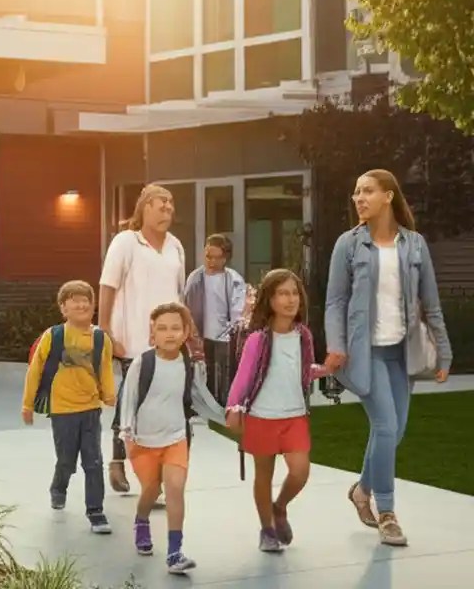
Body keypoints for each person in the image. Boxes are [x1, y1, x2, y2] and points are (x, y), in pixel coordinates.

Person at [324, 169, 452, 547]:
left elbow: (431, 304)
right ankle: (389, 513)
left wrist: (444, 352)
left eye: (367, 191)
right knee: (384, 427)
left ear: (388, 197)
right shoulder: (348, 245)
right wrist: (337, 344)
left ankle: (361, 490)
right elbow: (335, 301)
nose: (358, 198)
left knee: (395, 432)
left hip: (403, 352)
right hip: (365, 353)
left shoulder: (414, 245)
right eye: (356, 192)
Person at [118, 302, 226, 575]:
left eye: (176, 328)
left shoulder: (189, 364)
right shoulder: (143, 362)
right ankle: (141, 521)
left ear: (186, 331)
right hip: (142, 441)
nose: (169, 333)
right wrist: (126, 433)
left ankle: (174, 553)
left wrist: (227, 419)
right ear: (152, 334)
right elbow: (127, 398)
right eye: (162, 328)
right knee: (152, 490)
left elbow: (200, 397)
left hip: (176, 438)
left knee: (175, 489)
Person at [225, 269, 328, 553]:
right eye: (283, 293)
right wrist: (234, 407)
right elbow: (243, 377)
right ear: (269, 299)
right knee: (264, 476)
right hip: (261, 416)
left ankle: (279, 506)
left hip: (294, 416)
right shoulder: (258, 339)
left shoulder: (303, 336)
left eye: (294, 293)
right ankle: (267, 529)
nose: (290, 299)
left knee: (300, 471)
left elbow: (303, 371)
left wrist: (326, 369)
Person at [99, 184, 189, 493]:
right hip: (134, 341)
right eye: (161, 205)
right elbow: (108, 286)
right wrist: (105, 332)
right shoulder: (126, 242)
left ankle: (158, 471)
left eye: (171, 205)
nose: (168, 210)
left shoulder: (176, 246)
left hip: (169, 343)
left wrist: (187, 334)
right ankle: (117, 461)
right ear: (145, 207)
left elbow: (179, 295)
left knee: (165, 405)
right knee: (131, 403)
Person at [21, 280, 117, 534]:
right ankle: (58, 488)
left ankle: (96, 511)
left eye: (86, 300)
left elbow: (105, 368)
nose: (81, 304)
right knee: (66, 460)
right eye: (74, 300)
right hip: (62, 410)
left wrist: (109, 395)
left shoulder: (100, 338)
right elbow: (35, 371)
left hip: (90, 408)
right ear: (63, 308)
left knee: (93, 461)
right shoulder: (53, 336)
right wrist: (27, 405)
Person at [182, 234, 248, 404]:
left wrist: (231, 330)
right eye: (208, 256)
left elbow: (237, 310)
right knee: (205, 373)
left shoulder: (233, 279)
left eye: (216, 257)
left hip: (225, 336)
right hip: (201, 334)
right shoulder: (195, 278)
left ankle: (225, 405)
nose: (211, 261)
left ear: (225, 258)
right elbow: (186, 305)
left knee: (225, 375)